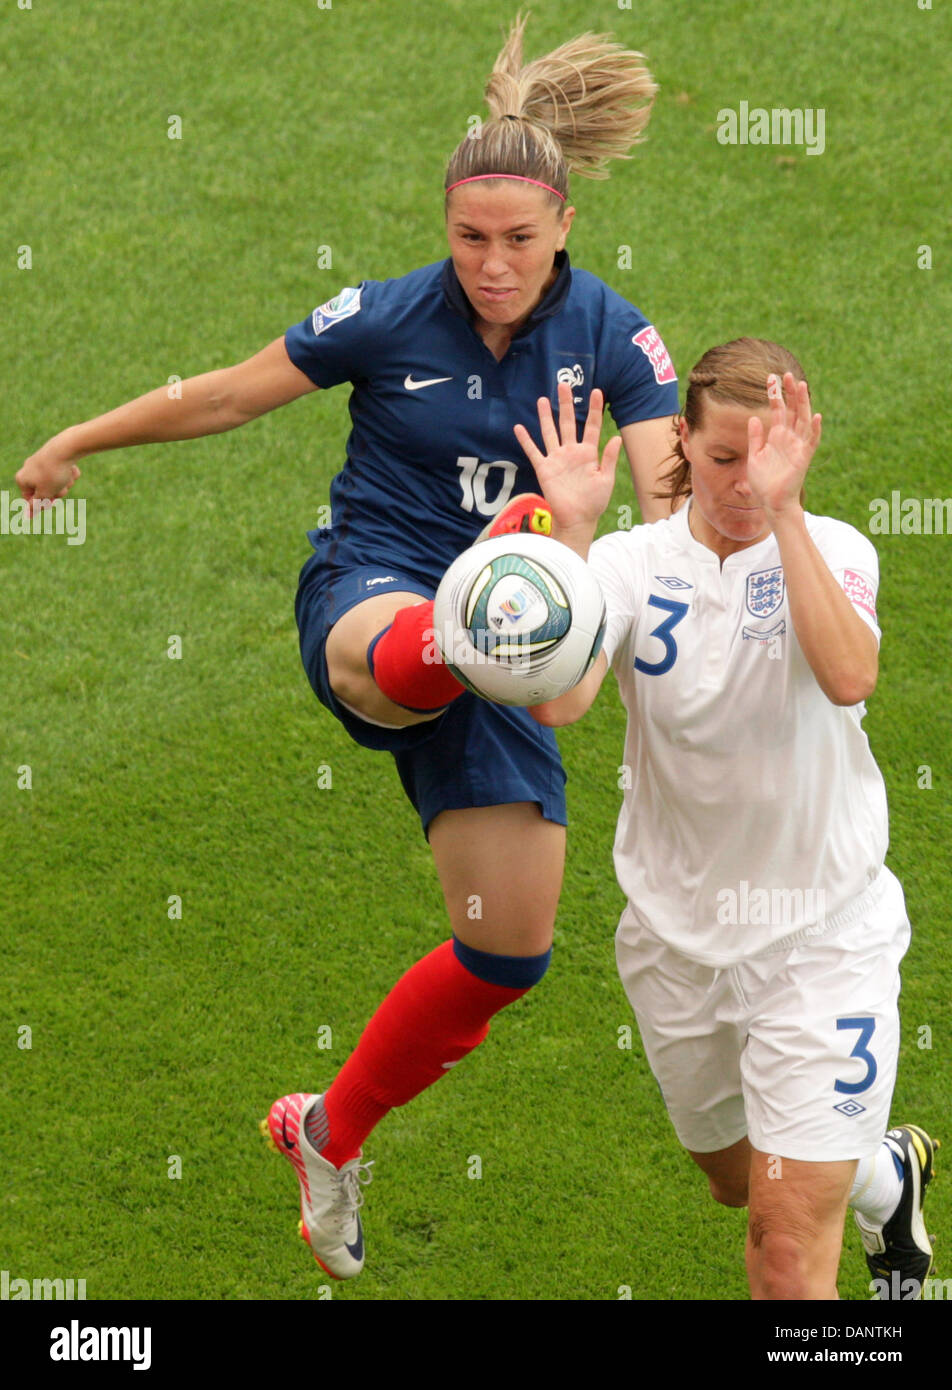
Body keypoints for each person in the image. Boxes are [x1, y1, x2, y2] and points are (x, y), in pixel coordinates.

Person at [15, 16, 679, 1281]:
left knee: (507, 950)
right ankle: (510, 620)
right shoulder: (380, 317)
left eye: (518, 242)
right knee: (444, 648)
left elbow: (667, 513)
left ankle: (327, 1130)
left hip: (524, 611)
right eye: (469, 237)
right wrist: (76, 440)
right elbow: (220, 393)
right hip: (379, 598)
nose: (491, 264)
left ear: (562, 233)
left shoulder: (613, 338)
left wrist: (585, 541)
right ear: (446, 225)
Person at [523, 338, 938, 1300]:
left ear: (800, 449)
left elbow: (849, 676)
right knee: (736, 1182)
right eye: (720, 461)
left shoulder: (834, 548)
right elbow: (560, 701)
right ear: (681, 446)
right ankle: (888, 1172)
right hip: (675, 943)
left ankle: (849, 1188)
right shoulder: (631, 564)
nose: (743, 484)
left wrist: (785, 513)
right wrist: (573, 539)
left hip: (819, 939)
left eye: (767, 462)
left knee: (785, 1254)